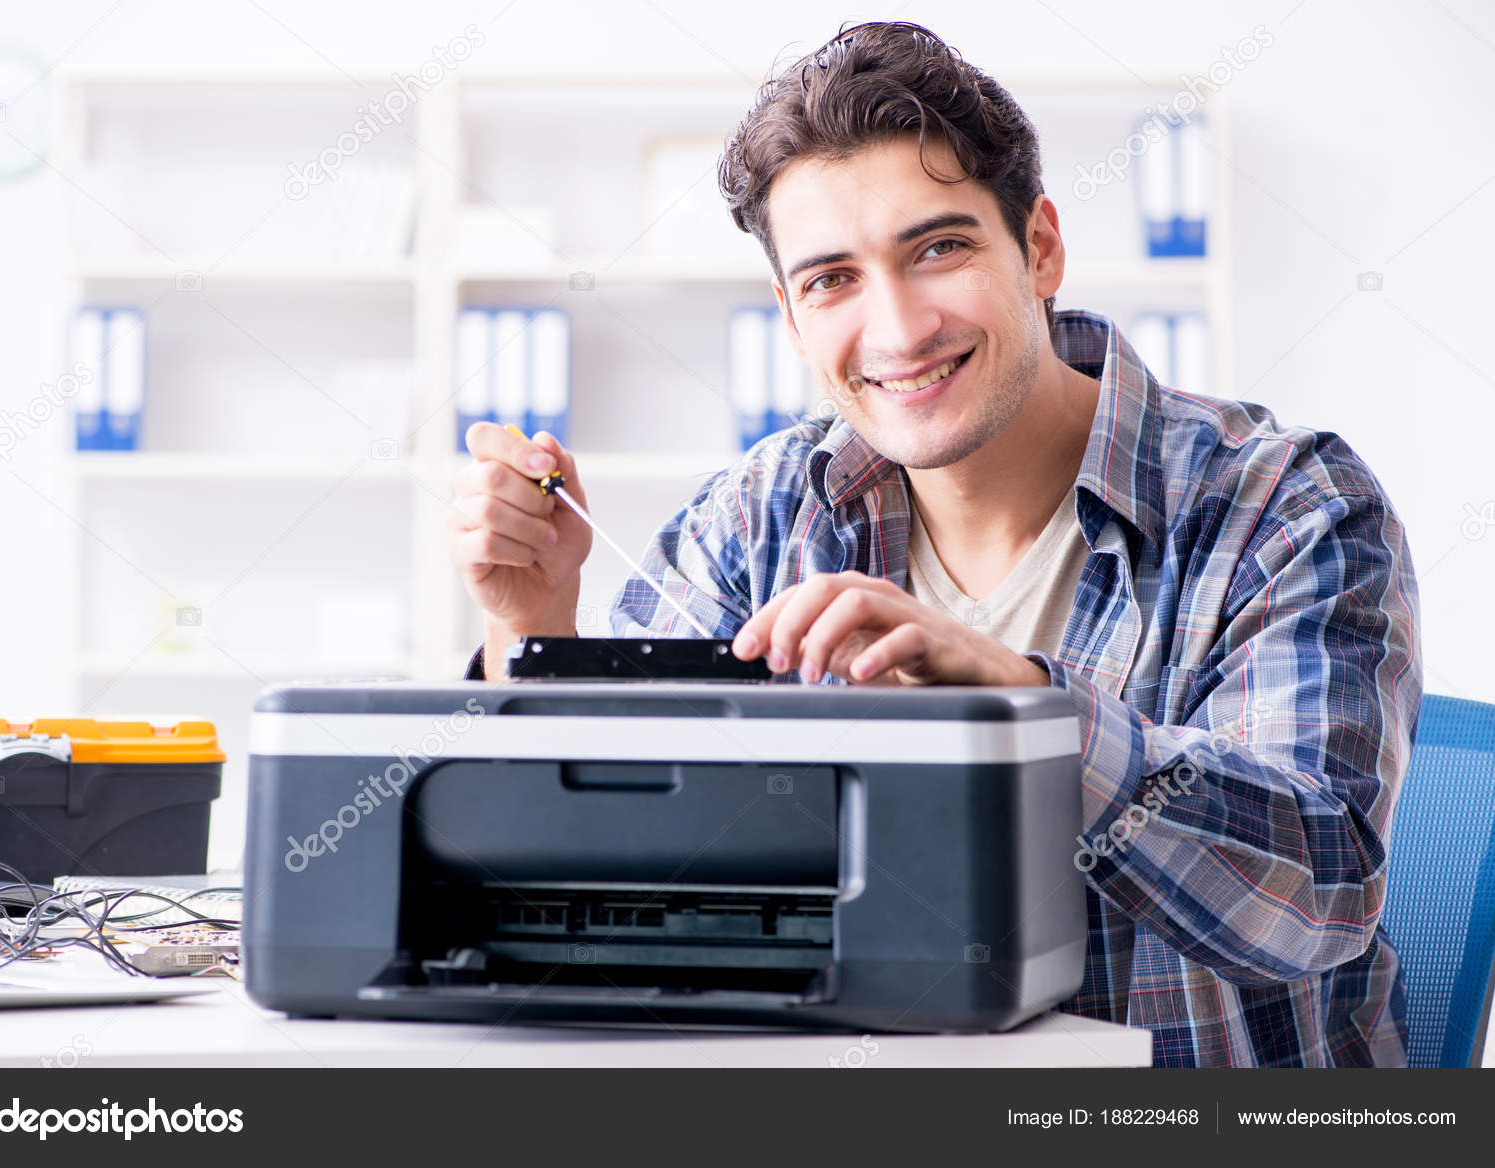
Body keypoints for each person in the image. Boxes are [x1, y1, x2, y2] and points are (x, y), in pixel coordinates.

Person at [446, 21, 1422, 1068]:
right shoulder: (763, 513)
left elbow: (1310, 903)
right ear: (788, 315)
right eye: (832, 280)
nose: (900, 328)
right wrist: (533, 625)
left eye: (939, 248)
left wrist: (1018, 708)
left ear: (1038, 248)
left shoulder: (1284, 504)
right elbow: (596, 887)